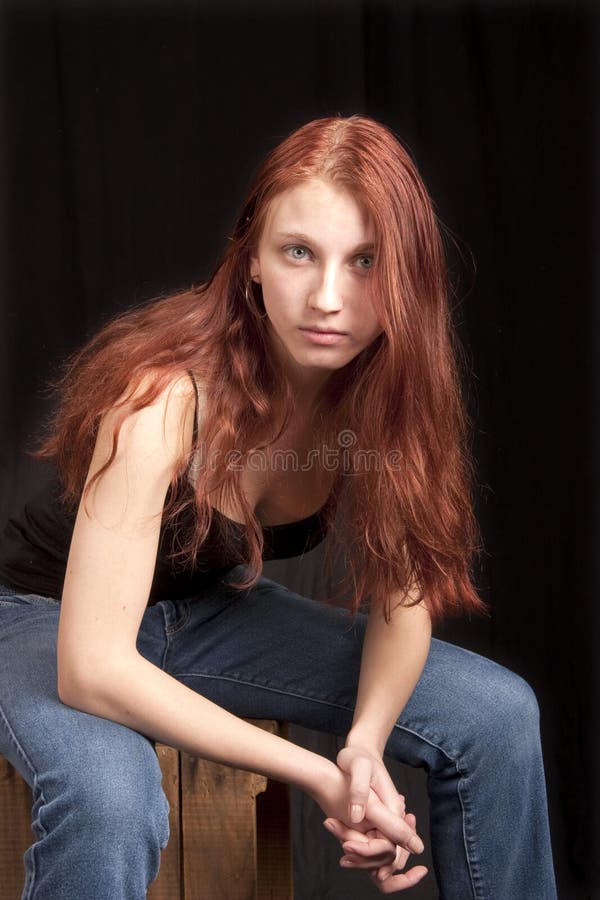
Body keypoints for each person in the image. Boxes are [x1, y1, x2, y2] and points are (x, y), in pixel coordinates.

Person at [0, 115, 556, 899]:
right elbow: (93, 667)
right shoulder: (164, 396)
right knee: (110, 800)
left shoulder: (385, 399)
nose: (329, 298)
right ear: (252, 261)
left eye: (365, 262)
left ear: (406, 278)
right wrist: (320, 774)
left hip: (203, 613)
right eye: (300, 253)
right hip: (41, 617)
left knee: (496, 715)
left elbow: (405, 598)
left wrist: (364, 744)